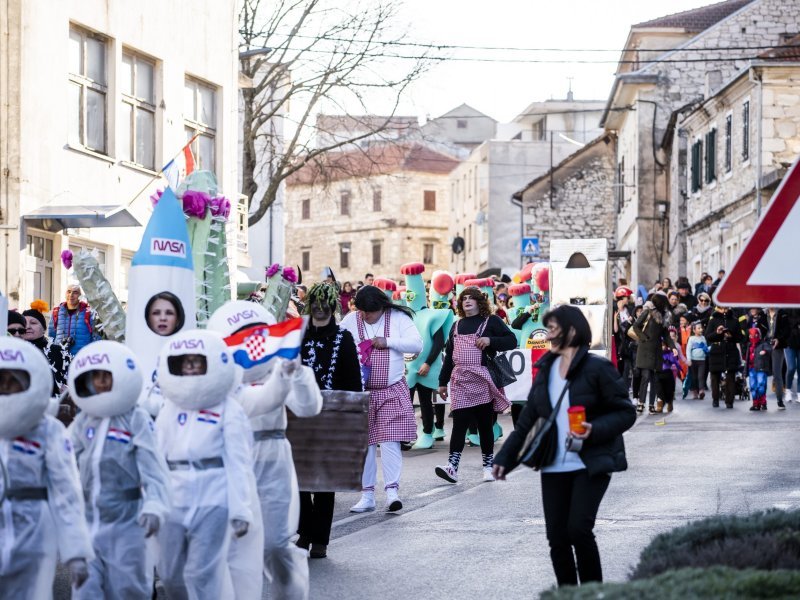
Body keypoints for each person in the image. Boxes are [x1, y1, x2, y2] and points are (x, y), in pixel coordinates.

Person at [492, 305, 635, 587]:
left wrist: (594, 430)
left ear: (572, 331)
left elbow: (625, 412)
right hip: (554, 463)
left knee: (578, 529)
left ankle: (593, 592)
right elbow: (528, 422)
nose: (549, 336)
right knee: (557, 538)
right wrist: (505, 459)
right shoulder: (545, 369)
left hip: (590, 462)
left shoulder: (598, 368)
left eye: (554, 330)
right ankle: (568, 593)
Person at [208, 301, 322, 599]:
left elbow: (309, 408)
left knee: (275, 544)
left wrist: (296, 374)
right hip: (231, 459)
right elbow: (255, 402)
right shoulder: (222, 374)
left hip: (273, 459)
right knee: (233, 547)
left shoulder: (280, 364)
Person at [154, 330, 255, 599]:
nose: (190, 367)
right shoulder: (169, 408)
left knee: (202, 572)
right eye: (184, 362)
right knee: (169, 574)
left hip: (213, 496)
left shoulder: (228, 409)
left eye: (196, 361)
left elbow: (239, 462)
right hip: (174, 497)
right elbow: (155, 458)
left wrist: (241, 510)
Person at [67, 341, 171, 599]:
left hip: (127, 522)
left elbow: (154, 468)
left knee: (128, 589)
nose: (100, 383)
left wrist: (155, 506)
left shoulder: (136, 418)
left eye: (106, 376)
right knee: (85, 590)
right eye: (94, 377)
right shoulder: (83, 421)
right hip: (88, 519)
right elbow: (63, 460)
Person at [0, 337, 93, 597]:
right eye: (1, 382)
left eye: (14, 383)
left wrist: (76, 552)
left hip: (35, 531)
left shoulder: (48, 430)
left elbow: (66, 490)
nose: (6, 390)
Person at [341, 285, 422, 513]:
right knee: (365, 445)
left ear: (381, 307)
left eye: (369, 311)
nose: (364, 316)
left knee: (389, 441)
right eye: (361, 311)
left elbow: (417, 344)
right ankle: (367, 496)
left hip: (390, 391)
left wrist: (388, 341)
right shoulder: (350, 320)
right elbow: (339, 343)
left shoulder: (397, 318)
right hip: (362, 393)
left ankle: (391, 492)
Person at [298, 283, 362, 559]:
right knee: (299, 479)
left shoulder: (343, 337)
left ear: (332, 306)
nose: (320, 309)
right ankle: (303, 534)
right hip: (299, 414)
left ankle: (320, 539)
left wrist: (353, 419)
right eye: (316, 304)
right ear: (310, 304)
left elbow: (353, 381)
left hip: (332, 415)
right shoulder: (297, 336)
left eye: (325, 304)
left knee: (325, 479)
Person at [434, 286, 515, 483]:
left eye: (472, 298)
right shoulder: (457, 325)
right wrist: (442, 382)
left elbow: (511, 340)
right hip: (460, 380)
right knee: (459, 424)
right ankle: (452, 467)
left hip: (483, 379)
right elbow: (449, 358)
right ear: (460, 304)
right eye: (464, 298)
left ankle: (488, 467)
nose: (467, 301)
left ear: (480, 302)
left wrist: (490, 340)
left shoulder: (492, 321)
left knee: (485, 425)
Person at [632, 292, 674, 415]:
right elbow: (636, 326)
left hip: (656, 350)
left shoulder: (664, 316)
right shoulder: (648, 312)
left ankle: (651, 405)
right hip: (645, 349)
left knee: (655, 378)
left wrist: (672, 347)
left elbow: (666, 334)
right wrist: (644, 338)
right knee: (645, 376)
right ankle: (641, 403)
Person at [706, 305, 742, 408]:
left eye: (726, 308)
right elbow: (708, 336)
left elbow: (740, 337)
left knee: (730, 376)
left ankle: (729, 401)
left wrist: (731, 336)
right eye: (721, 308)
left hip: (730, 350)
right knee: (714, 376)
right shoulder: (713, 320)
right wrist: (717, 333)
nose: (724, 311)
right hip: (717, 350)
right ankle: (715, 399)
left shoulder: (734, 320)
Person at [48, 284, 100, 355]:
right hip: (60, 357)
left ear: (80, 296)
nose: (71, 295)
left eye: (75, 292)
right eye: (69, 292)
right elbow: (51, 336)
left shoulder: (89, 312)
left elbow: (96, 337)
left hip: (81, 358)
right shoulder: (56, 311)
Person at [766, 307, 791, 410]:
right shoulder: (763, 314)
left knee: (777, 374)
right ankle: (759, 401)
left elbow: (786, 330)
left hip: (777, 346)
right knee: (761, 373)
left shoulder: (782, 313)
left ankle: (779, 400)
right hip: (764, 345)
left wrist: (778, 339)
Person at [745, 327, 771, 411]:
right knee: (753, 386)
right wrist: (745, 371)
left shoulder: (763, 344)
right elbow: (747, 359)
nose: (752, 338)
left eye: (755, 335)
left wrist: (765, 351)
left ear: (758, 335)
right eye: (751, 336)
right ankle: (755, 403)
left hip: (761, 368)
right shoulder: (749, 345)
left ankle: (762, 402)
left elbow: (769, 349)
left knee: (761, 385)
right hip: (751, 368)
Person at [686, 322, 709, 399]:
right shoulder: (691, 339)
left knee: (701, 376)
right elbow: (688, 349)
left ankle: (701, 390)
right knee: (694, 377)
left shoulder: (703, 338)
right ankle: (695, 391)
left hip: (702, 360)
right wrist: (688, 359)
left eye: (701, 328)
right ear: (694, 330)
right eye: (698, 328)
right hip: (693, 360)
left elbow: (705, 348)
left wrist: (707, 351)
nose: (700, 329)